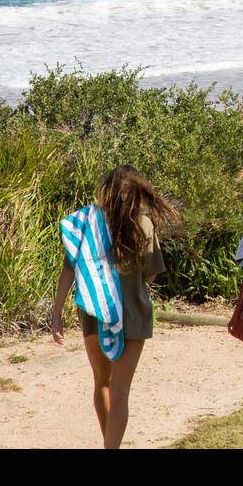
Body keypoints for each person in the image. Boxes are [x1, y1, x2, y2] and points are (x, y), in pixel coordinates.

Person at [49, 165, 175, 449]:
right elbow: (150, 274)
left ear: (106, 189)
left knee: (102, 383)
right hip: (132, 314)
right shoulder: (142, 224)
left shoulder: (86, 222)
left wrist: (56, 313)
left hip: (94, 312)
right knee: (120, 392)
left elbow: (69, 270)